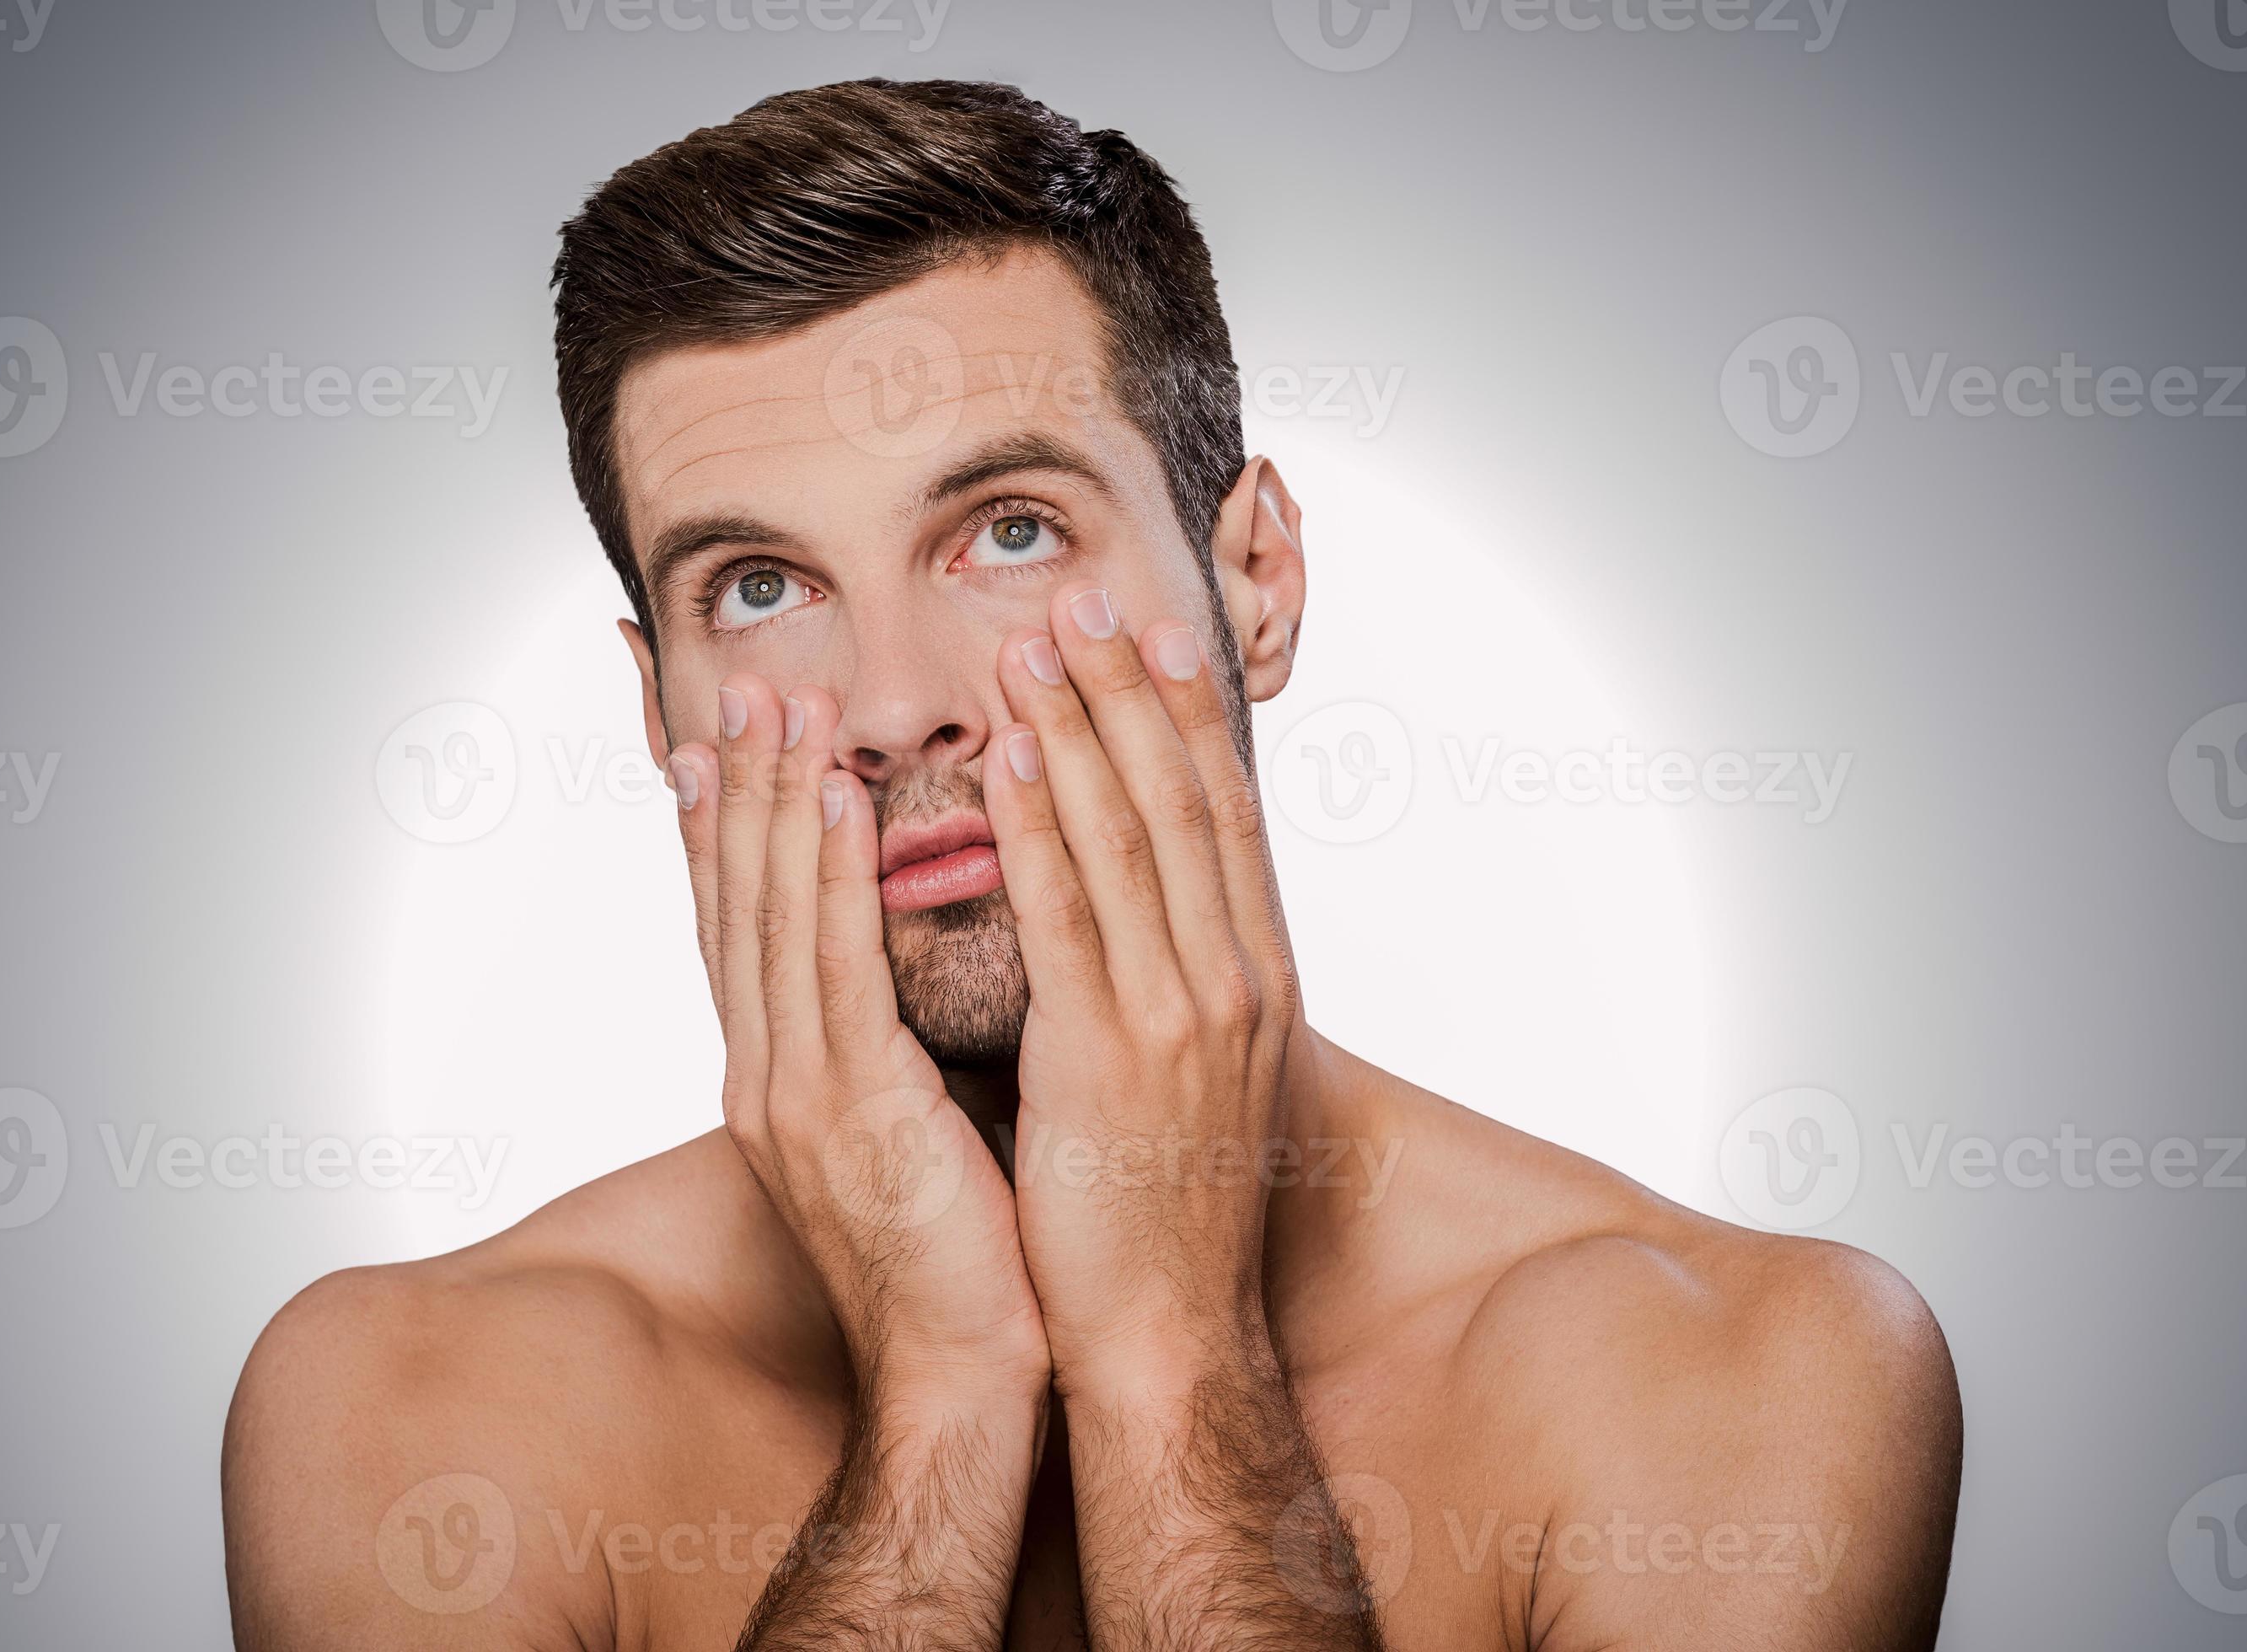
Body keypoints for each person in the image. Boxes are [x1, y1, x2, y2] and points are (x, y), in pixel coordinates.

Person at [222, 78, 1962, 1650]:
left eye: (1005, 531)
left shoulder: (1740, 1372)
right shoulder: (404, 1404)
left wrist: (1166, 1355)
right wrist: (940, 1395)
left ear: (1255, 578)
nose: (892, 708)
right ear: (652, 698)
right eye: (755, 585)